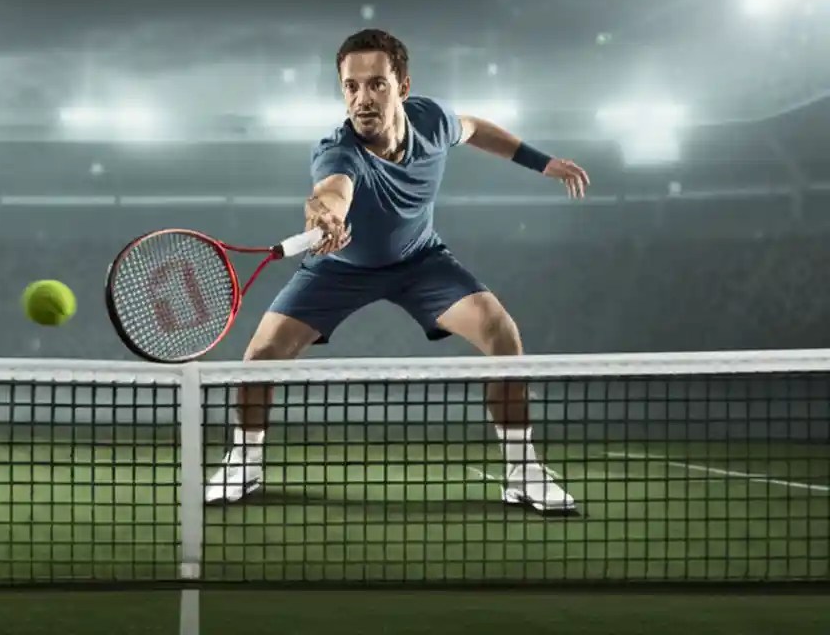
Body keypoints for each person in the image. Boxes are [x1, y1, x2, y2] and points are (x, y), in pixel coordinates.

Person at [205, 28, 590, 513]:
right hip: (339, 269)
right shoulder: (337, 150)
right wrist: (325, 220)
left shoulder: (433, 122)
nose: (362, 98)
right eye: (351, 86)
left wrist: (544, 163)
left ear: (402, 87)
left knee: (501, 334)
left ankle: (523, 470)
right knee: (260, 356)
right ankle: (245, 462)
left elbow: (474, 128)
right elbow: (331, 192)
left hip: (420, 262)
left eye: (376, 84)